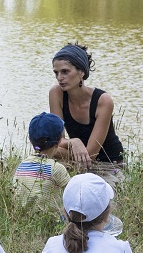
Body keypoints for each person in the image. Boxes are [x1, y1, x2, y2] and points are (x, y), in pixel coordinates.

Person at [48, 44, 126, 179]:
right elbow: (57, 140)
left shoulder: (103, 101)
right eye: (56, 72)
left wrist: (53, 149)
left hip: (109, 165)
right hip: (74, 162)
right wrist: (73, 142)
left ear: (81, 72)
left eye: (65, 71)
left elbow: (90, 155)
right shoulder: (56, 93)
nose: (59, 77)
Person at [12, 113, 72, 211]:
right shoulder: (56, 168)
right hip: (49, 220)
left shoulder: (22, 164)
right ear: (59, 142)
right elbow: (73, 192)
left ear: (30, 140)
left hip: (21, 218)